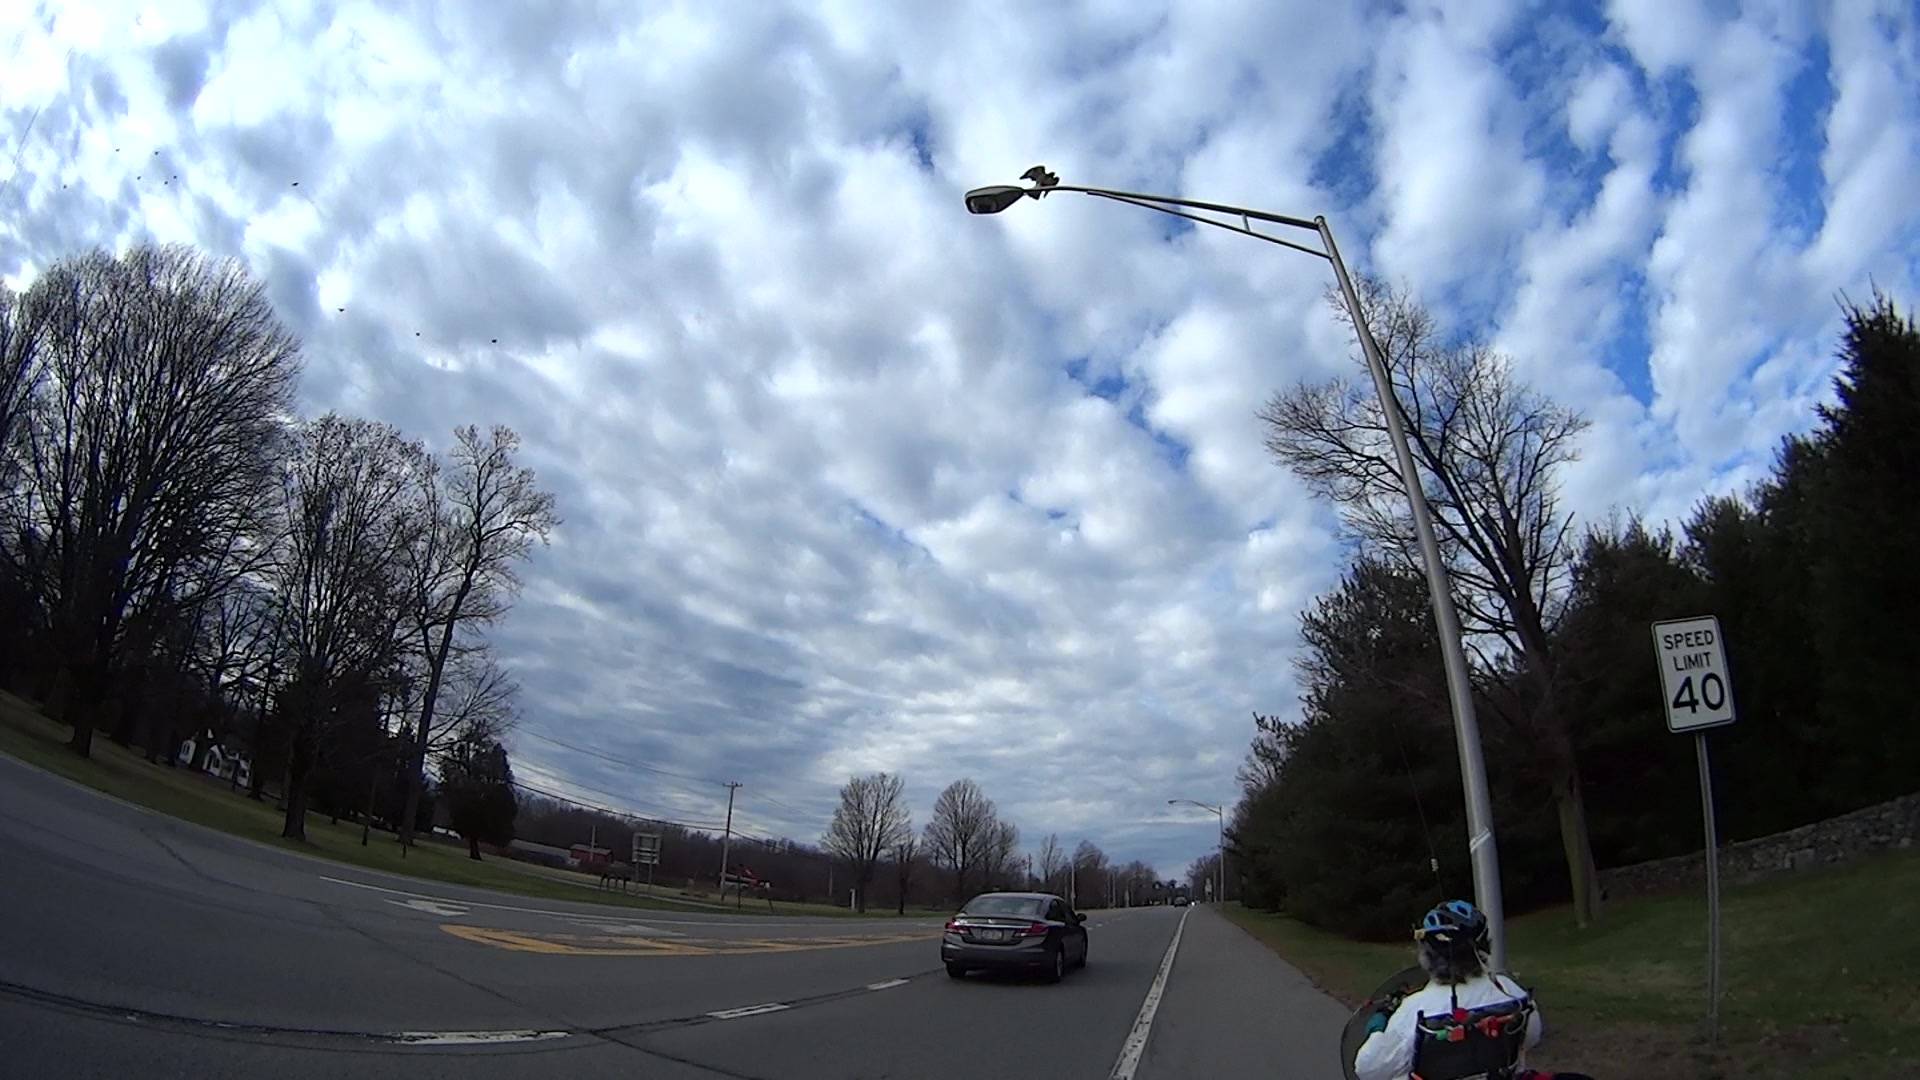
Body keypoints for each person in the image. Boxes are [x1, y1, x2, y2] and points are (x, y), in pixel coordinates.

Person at [1352, 899, 1543, 1080]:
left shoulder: (1414, 1009)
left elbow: (1368, 1069)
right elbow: (1532, 1036)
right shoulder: (1509, 990)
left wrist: (1377, 1030)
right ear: (1482, 946)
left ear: (1427, 954)